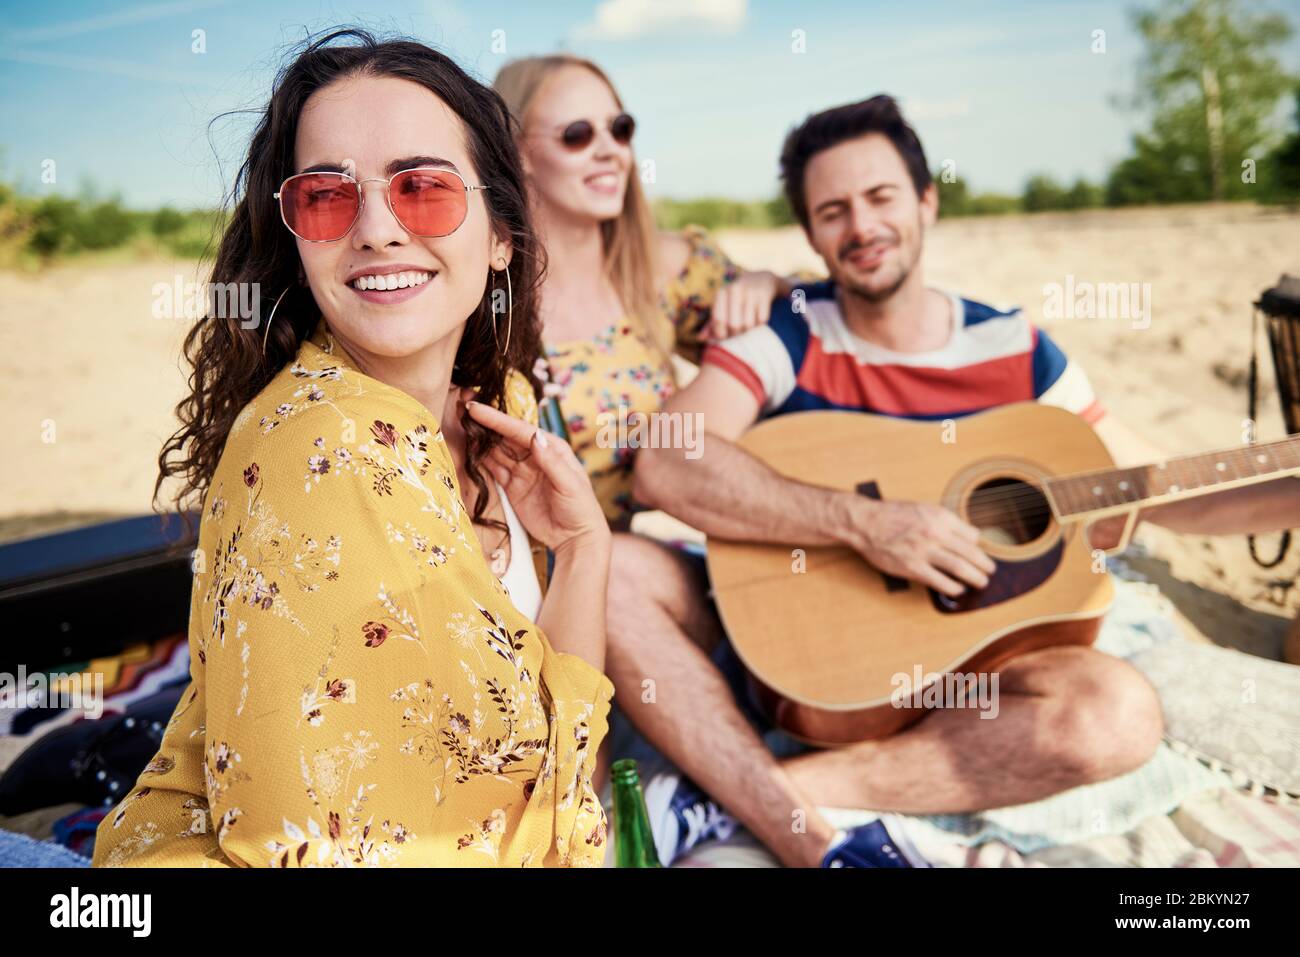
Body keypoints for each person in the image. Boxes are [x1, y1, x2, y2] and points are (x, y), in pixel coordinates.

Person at [617, 94, 1300, 867]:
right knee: (618, 567)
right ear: (811, 234)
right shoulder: (789, 335)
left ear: (926, 200)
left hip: (972, 668)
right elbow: (668, 459)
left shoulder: (1014, 346)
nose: (863, 226)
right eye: (833, 210)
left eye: (880, 197)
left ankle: (755, 789)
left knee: (1119, 715)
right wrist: (867, 524)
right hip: (795, 639)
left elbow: (1165, 488)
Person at [93, 29, 614, 868]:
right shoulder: (322, 448)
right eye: (327, 197)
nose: (376, 228)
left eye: (424, 188)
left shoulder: (498, 406)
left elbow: (555, 766)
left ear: (501, 235)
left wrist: (585, 550)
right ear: (297, 239)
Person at [494, 55, 793, 525]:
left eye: (620, 128)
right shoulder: (483, 301)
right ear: (518, 152)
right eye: (578, 135)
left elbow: (833, 316)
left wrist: (772, 283)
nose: (610, 149)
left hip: (652, 561)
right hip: (539, 577)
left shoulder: (672, 268)